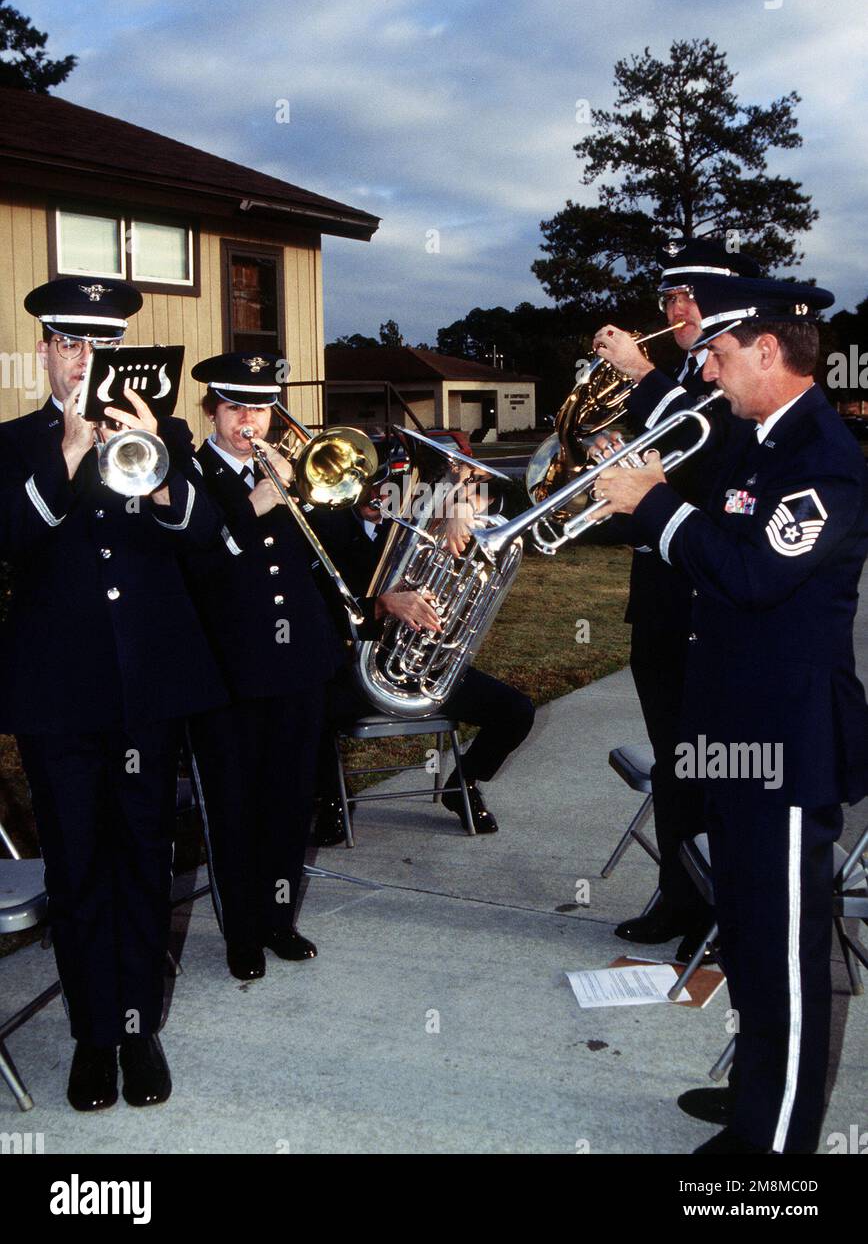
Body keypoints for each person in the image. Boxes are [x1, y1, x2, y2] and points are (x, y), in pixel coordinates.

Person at [591, 273, 868, 1154]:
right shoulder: (756, 441)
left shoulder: (821, 455)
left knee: (786, 953)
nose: (705, 369)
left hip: (784, 740)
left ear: (767, 348)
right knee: (744, 929)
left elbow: (752, 575)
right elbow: (707, 546)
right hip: (729, 729)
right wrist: (624, 500)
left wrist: (658, 503)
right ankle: (758, 1097)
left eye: (715, 350)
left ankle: (776, 1150)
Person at [0, 277, 227, 1111]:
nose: (84, 359)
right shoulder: (16, 443)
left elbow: (208, 538)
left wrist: (161, 470)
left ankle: (139, 1029)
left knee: (142, 859)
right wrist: (65, 457)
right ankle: (93, 1036)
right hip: (58, 694)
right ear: (46, 352)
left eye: (99, 345)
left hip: (147, 689)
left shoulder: (162, 434)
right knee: (77, 866)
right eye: (69, 343)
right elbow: (5, 537)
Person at [590, 237, 761, 963]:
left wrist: (642, 374)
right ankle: (681, 893)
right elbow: (671, 487)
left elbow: (711, 445)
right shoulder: (685, 378)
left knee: (715, 760)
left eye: (691, 296)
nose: (676, 307)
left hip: (711, 607)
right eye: (668, 296)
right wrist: (612, 486)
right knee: (673, 758)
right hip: (659, 599)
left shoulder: (734, 380)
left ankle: (728, 906)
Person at [183, 353, 345, 982]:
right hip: (228, 674)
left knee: (288, 801)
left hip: (298, 664)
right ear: (212, 411)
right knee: (232, 806)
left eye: (259, 407)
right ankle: (241, 933)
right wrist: (259, 497)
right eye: (235, 407)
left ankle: (279, 920)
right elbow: (201, 558)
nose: (249, 419)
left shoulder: (292, 469)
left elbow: (327, 554)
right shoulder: (188, 475)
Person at [310, 462, 536, 844]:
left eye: (389, 487)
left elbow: (501, 501)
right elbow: (317, 606)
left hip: (424, 672)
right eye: (369, 486)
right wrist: (381, 605)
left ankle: (462, 784)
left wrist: (456, 507)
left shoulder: (424, 523)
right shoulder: (326, 529)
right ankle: (330, 800)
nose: (378, 496)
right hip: (355, 669)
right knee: (306, 710)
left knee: (516, 711)